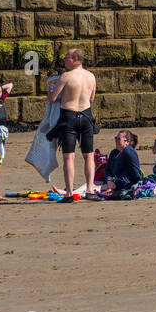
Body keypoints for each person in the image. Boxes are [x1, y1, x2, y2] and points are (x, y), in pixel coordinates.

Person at [47, 49, 98, 199]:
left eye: (66, 57)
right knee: (89, 155)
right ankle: (89, 189)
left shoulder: (66, 76)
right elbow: (92, 99)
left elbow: (52, 98)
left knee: (69, 157)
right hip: (86, 116)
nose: (64, 60)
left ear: (75, 59)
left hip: (69, 117)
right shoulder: (91, 76)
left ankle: (69, 193)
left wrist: (50, 91)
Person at [98, 130, 144, 196]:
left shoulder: (129, 152)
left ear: (127, 142)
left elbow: (136, 174)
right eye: (115, 138)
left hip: (123, 186)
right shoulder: (114, 152)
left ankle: (80, 194)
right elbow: (107, 170)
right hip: (112, 183)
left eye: (119, 138)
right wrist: (109, 180)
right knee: (90, 185)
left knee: (91, 187)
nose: (116, 140)